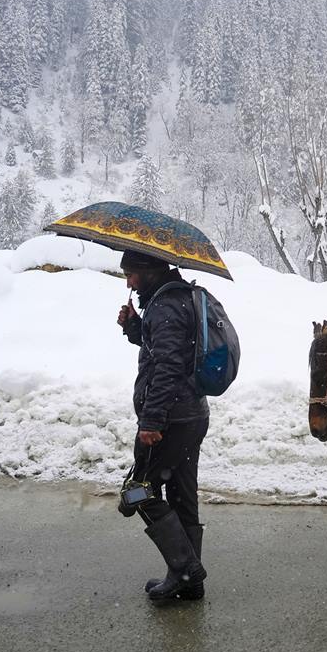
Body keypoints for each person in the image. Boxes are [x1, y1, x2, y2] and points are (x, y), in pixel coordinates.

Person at [116, 248, 210, 600]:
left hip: (170, 420)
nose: (128, 281)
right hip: (190, 415)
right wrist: (135, 326)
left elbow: (169, 367)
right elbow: (168, 349)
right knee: (182, 495)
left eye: (131, 273)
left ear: (148, 269)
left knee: (138, 491)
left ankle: (186, 569)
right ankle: (189, 582)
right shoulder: (175, 297)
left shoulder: (166, 306)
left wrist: (152, 420)